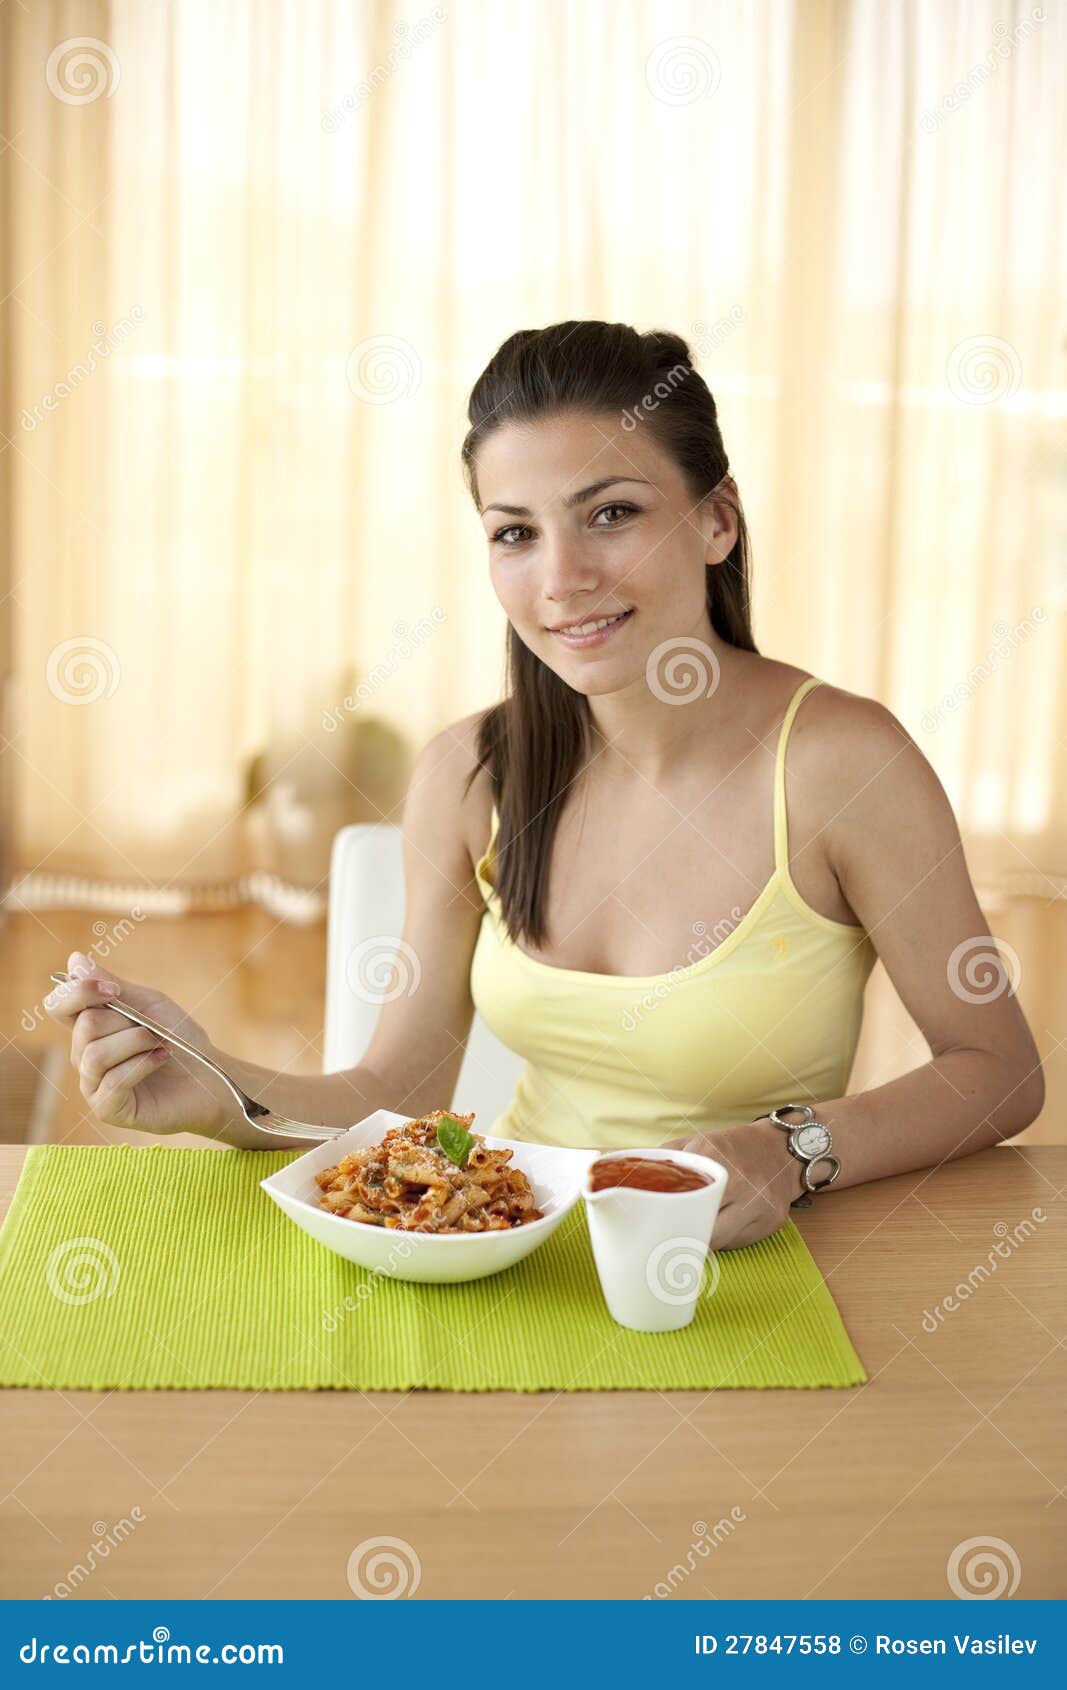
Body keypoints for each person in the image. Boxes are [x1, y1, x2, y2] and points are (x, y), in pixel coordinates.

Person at [45, 321, 1045, 1248]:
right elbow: (396, 1092)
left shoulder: (843, 765)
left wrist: (791, 1151)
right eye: (514, 533)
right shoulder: (468, 774)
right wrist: (220, 1091)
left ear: (715, 521)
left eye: (610, 513)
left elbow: (996, 1071)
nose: (562, 578)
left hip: (745, 1265)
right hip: (515, 1253)